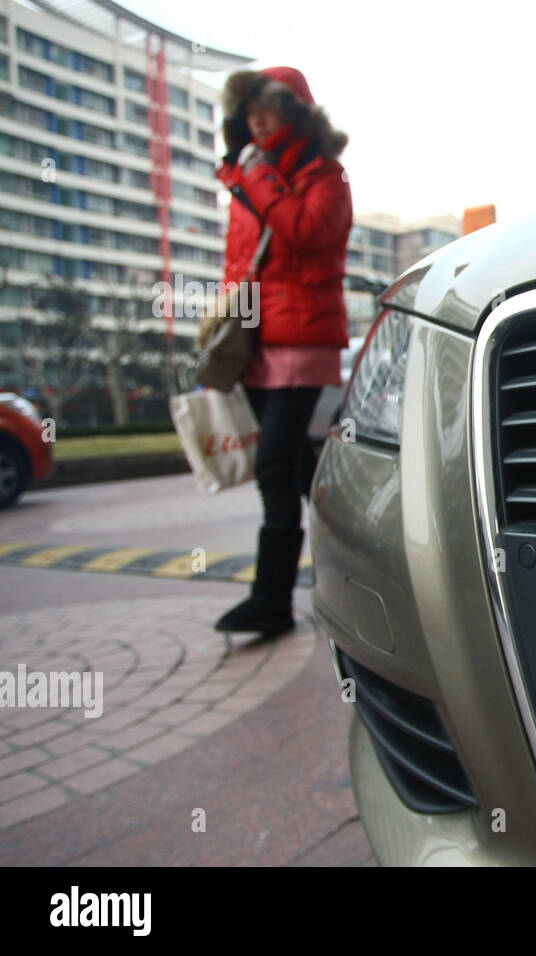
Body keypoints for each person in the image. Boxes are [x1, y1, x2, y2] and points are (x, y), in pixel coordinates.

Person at [212, 66, 352, 637]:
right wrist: (227, 337)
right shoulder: (249, 182)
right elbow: (238, 270)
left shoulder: (325, 176)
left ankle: (271, 600)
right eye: (248, 111)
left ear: (294, 112)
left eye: (266, 108)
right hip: (258, 342)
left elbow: (303, 231)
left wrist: (261, 177)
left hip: (302, 339)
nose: (256, 120)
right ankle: (359, 547)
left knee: (273, 463)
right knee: (300, 471)